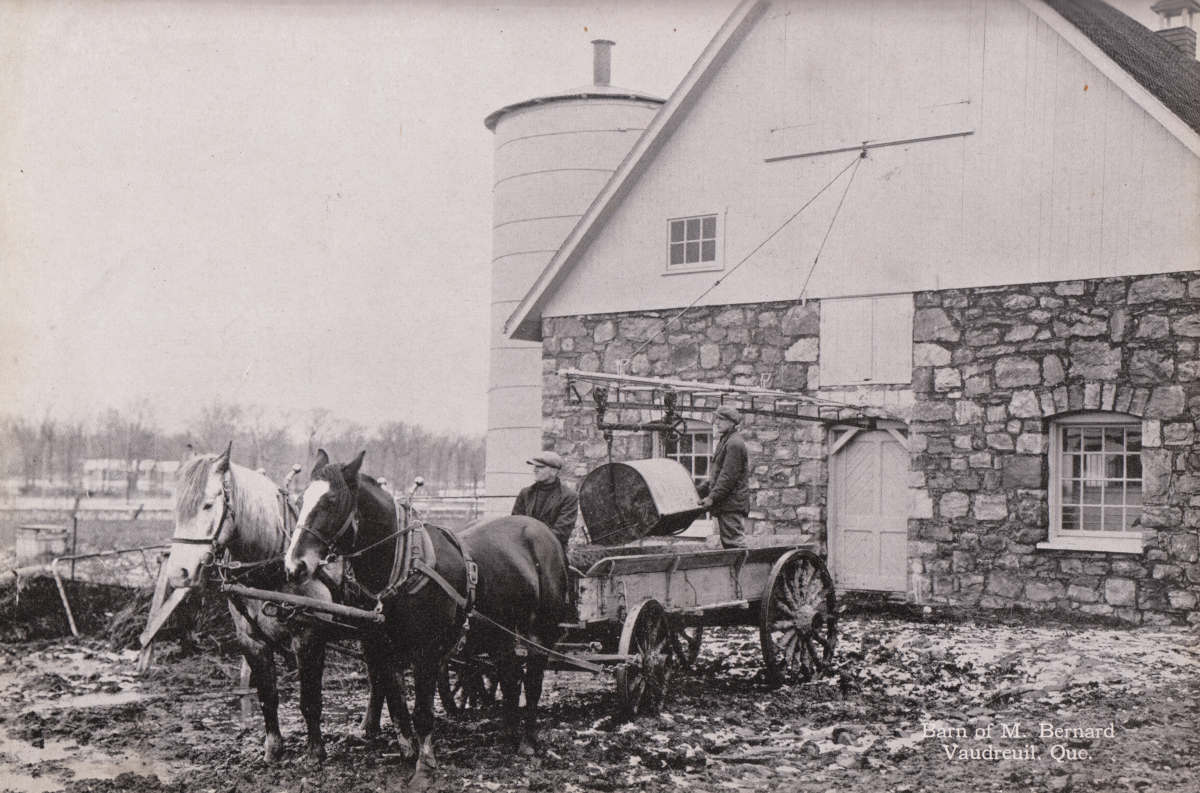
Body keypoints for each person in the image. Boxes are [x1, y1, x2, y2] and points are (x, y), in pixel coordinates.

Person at [697, 405, 750, 549]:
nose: (717, 422)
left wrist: (711, 498)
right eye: (716, 418)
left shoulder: (734, 444)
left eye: (721, 419)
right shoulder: (726, 440)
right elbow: (718, 472)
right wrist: (702, 488)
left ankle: (742, 571)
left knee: (734, 544)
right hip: (727, 503)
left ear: (732, 422)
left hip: (731, 504)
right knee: (729, 543)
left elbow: (727, 477)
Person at [512, 451, 579, 552]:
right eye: (534, 466)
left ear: (553, 471)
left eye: (540, 467)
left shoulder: (568, 497)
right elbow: (515, 523)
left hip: (552, 551)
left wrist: (530, 538)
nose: (535, 470)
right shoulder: (525, 493)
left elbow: (561, 533)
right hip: (524, 550)